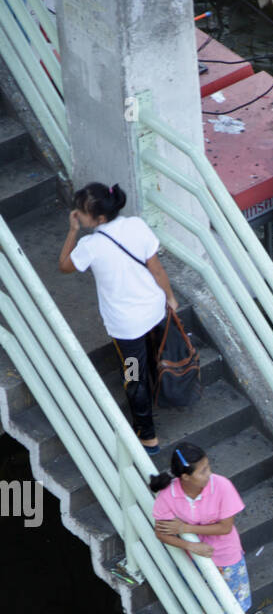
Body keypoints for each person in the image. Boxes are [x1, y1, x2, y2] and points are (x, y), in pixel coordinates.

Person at [58, 182, 177, 456]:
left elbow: (64, 266)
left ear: (99, 219)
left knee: (134, 377)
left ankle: (148, 436)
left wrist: (73, 231)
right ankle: (164, 394)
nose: (77, 214)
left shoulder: (90, 246)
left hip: (127, 327)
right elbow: (157, 270)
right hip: (155, 310)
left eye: (81, 212)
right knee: (156, 357)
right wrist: (170, 297)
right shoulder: (136, 225)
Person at [149, 442, 263, 614]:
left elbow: (225, 527)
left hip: (227, 556)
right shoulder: (167, 495)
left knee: (233, 609)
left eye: (208, 467)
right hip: (194, 560)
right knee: (205, 607)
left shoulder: (222, 485)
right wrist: (190, 545)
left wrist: (184, 528)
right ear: (185, 477)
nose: (209, 473)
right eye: (202, 471)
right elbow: (161, 533)